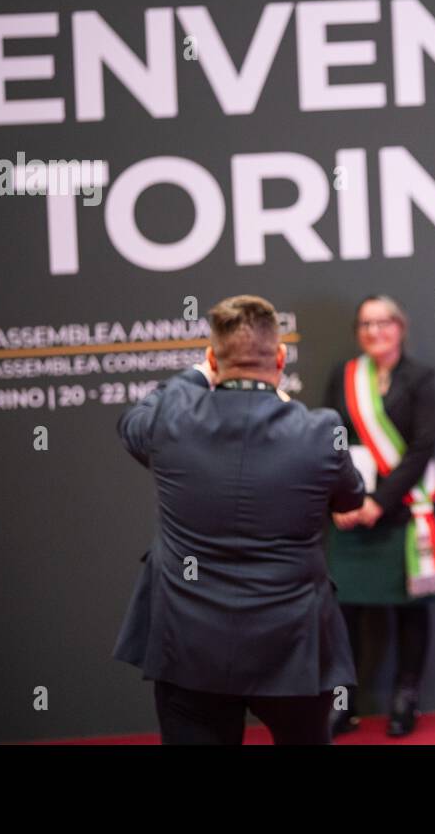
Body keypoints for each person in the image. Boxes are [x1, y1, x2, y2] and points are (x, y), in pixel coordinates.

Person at [113, 295, 363, 744]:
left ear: (212, 359)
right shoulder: (321, 431)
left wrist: (194, 375)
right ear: (280, 358)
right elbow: (351, 498)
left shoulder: (171, 418)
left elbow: (133, 421)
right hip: (293, 646)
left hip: (189, 646)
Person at [324, 295, 435, 738]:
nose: (375, 331)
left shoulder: (421, 378)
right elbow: (330, 439)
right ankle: (346, 702)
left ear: (400, 326)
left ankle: (405, 699)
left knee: (410, 609)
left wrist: (381, 502)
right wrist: (345, 500)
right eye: (366, 324)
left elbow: (423, 448)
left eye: (383, 323)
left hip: (404, 512)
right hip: (352, 512)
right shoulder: (344, 376)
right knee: (345, 611)